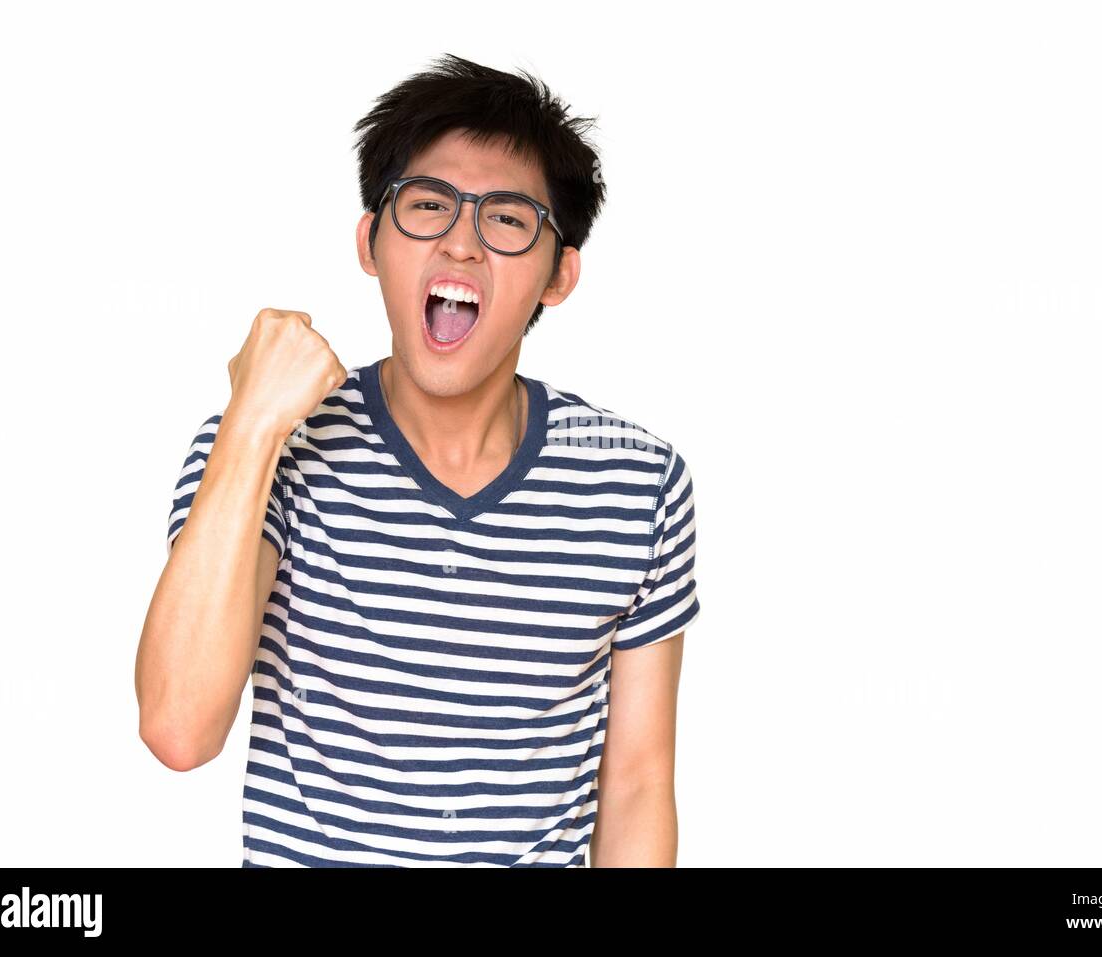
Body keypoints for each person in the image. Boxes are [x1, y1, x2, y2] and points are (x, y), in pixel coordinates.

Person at [135, 53, 700, 867]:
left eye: (507, 218)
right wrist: (253, 425)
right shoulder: (257, 452)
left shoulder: (638, 482)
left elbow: (640, 782)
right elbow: (178, 727)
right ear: (371, 242)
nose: (462, 243)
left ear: (560, 274)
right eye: (428, 205)